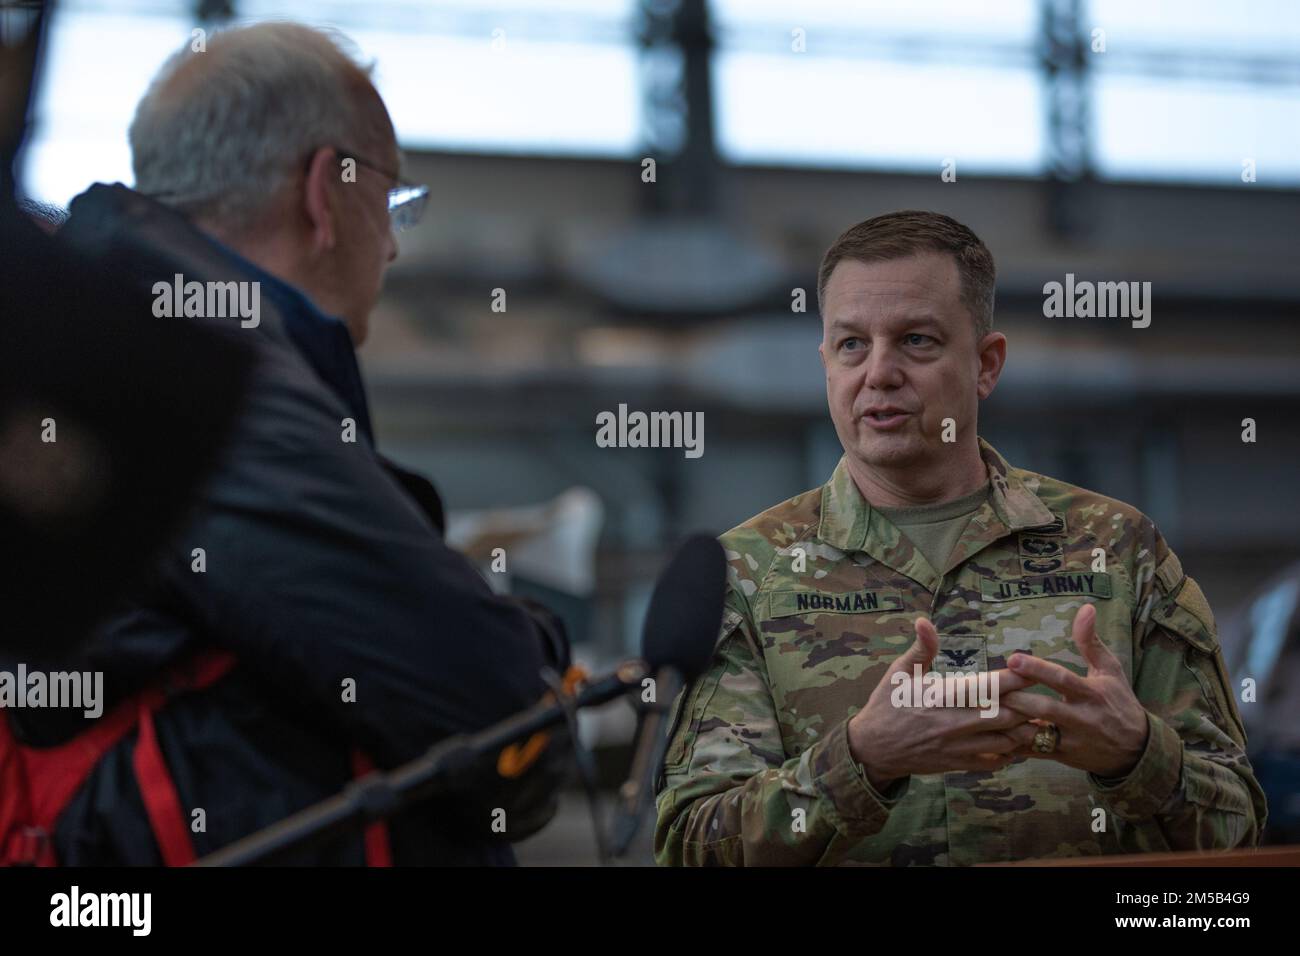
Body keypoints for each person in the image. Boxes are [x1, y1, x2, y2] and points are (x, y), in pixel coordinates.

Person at [7, 21, 569, 865]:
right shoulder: (198, 378)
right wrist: (538, 643)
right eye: (393, 205)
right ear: (326, 192)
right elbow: (492, 706)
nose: (389, 246)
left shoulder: (100, 336)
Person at [655, 210, 1266, 865]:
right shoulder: (750, 572)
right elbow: (692, 848)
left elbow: (1238, 830)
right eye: (851, 344)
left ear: (986, 364)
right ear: (826, 363)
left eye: (916, 340)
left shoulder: (1118, 549)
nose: (879, 372)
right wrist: (860, 760)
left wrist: (1137, 754)